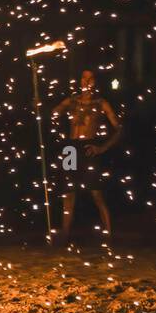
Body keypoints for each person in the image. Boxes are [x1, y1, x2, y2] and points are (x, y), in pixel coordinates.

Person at [51, 69, 122, 240]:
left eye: (90, 78)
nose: (86, 81)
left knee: (96, 193)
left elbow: (119, 129)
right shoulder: (72, 101)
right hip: (70, 148)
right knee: (68, 193)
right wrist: (40, 105)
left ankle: (108, 233)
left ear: (95, 81)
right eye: (83, 77)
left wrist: (102, 148)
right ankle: (65, 234)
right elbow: (54, 112)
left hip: (88, 148)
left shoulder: (101, 103)